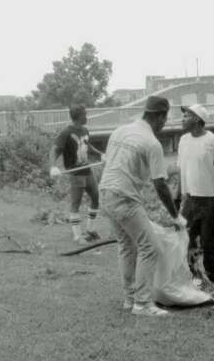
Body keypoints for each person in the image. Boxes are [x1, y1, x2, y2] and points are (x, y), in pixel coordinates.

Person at [97, 95, 186, 317]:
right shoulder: (151, 143)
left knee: (127, 245)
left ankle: (130, 299)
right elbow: (160, 185)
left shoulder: (119, 131)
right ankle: (143, 304)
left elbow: (110, 163)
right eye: (164, 119)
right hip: (124, 198)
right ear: (159, 117)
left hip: (105, 193)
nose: (164, 125)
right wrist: (176, 217)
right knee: (151, 246)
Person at [175, 103, 214, 286]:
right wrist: (177, 197)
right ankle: (195, 277)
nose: (182, 119)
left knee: (209, 244)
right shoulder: (183, 141)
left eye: (187, 116)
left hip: (209, 202)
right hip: (190, 200)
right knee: (186, 240)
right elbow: (181, 171)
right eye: (183, 116)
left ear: (198, 120)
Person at [49, 104, 102, 243]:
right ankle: (78, 236)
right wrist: (53, 166)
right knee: (76, 203)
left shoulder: (84, 130)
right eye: (85, 114)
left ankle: (90, 230)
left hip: (87, 170)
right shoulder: (66, 133)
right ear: (79, 116)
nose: (87, 117)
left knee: (96, 198)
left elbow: (87, 146)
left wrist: (100, 154)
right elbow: (54, 150)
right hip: (76, 173)